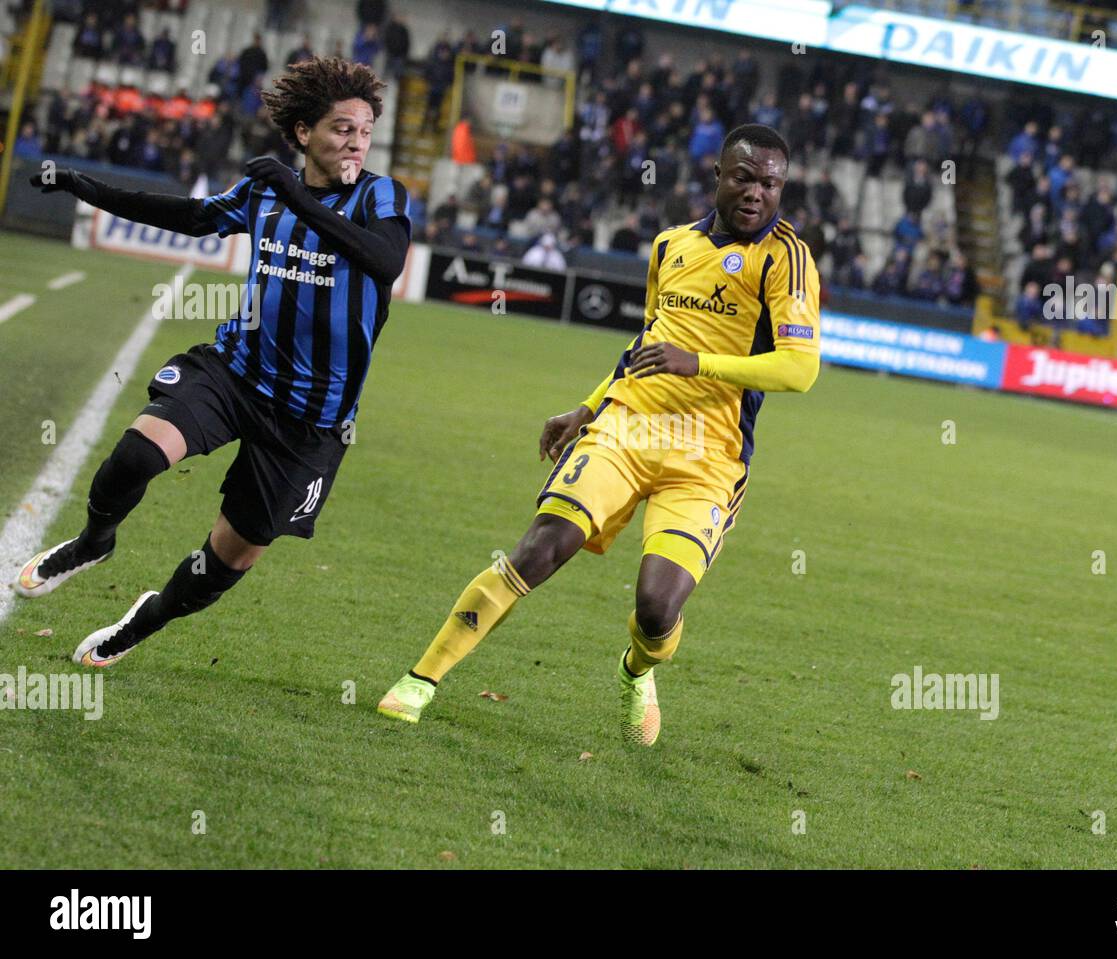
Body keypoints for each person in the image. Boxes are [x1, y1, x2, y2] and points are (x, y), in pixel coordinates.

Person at [378, 124, 820, 746]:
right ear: (718, 176)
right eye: (744, 178)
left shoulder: (787, 261)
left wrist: (698, 363)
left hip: (708, 456)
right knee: (541, 546)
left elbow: (800, 370)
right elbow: (647, 344)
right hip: (626, 427)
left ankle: (636, 671)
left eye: (770, 183)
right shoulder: (670, 246)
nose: (756, 193)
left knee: (657, 608)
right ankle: (419, 681)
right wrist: (588, 409)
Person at [16, 57, 412, 667]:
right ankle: (94, 542)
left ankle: (143, 620)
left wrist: (294, 195)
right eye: (341, 129)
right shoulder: (265, 190)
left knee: (226, 559)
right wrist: (82, 185)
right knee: (135, 455)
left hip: (312, 419)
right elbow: (191, 218)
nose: (355, 142)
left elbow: (385, 261)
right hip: (235, 372)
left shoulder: (378, 195)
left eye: (363, 131)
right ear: (304, 133)